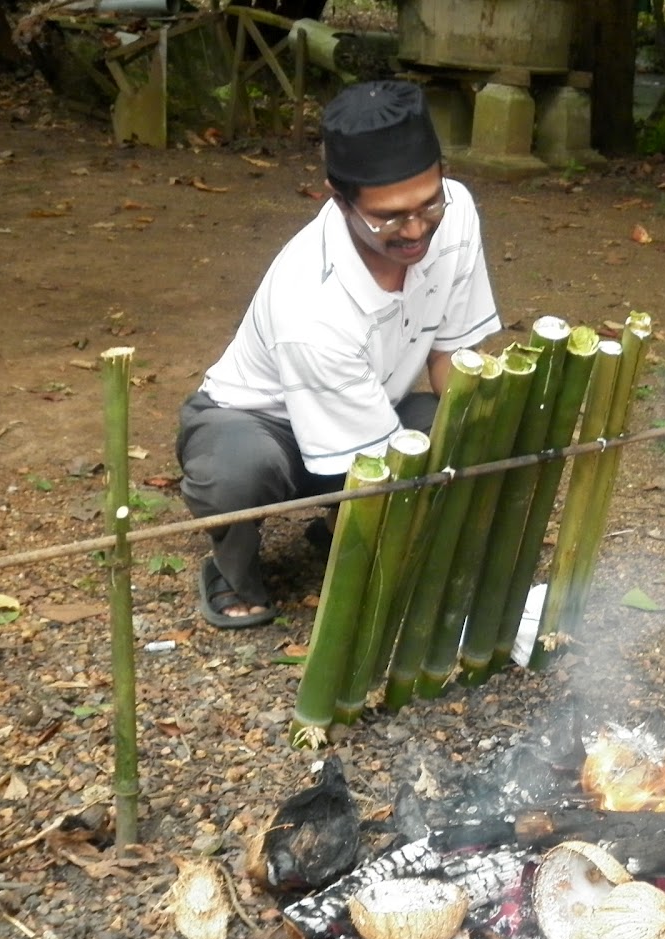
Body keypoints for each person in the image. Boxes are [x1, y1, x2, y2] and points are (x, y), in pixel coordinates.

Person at [176, 80, 501, 627]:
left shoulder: (459, 214)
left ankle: (332, 533)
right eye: (390, 217)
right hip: (260, 426)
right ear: (338, 196)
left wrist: (479, 437)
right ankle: (231, 569)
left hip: (370, 408)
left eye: (429, 204)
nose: (417, 229)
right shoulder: (309, 303)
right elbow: (373, 468)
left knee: (467, 420)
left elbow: (453, 352)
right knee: (236, 470)